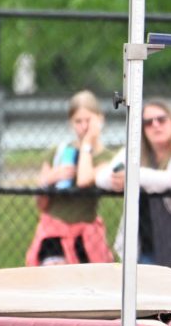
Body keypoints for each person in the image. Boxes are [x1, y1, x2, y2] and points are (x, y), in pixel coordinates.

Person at [95, 100, 171, 278]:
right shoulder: (135, 152)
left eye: (161, 119)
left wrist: (134, 176)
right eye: (148, 123)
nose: (155, 125)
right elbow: (102, 178)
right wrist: (119, 179)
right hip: (146, 244)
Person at [25, 90, 115, 266]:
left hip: (85, 235)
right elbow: (41, 204)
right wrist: (50, 178)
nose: (83, 126)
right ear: (71, 123)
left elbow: (84, 179)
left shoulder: (107, 158)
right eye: (78, 121)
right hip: (54, 233)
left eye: (88, 120)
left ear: (100, 119)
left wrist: (87, 144)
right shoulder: (58, 153)